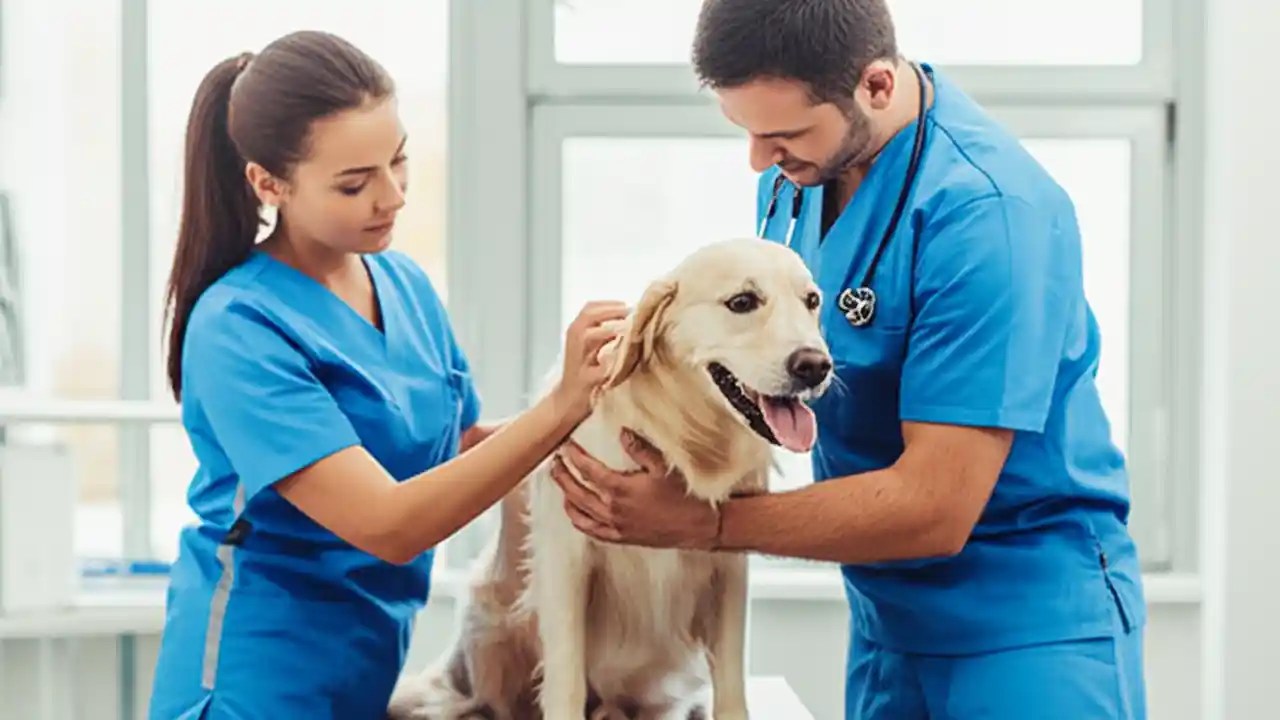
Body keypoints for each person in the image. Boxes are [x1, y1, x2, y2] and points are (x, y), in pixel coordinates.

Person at [550, 1, 1147, 718]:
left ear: (876, 86)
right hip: (885, 618)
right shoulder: (797, 177)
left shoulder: (992, 215)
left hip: (1028, 626)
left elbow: (935, 507)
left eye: (784, 133)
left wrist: (702, 524)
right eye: (747, 132)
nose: (759, 160)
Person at [146, 30, 625, 719]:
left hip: (366, 665)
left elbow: (460, 449)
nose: (393, 196)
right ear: (268, 182)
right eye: (355, 182)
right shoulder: (238, 327)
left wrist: (610, 434)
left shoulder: (403, 282)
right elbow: (390, 524)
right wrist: (560, 407)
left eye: (399, 161)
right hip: (256, 678)